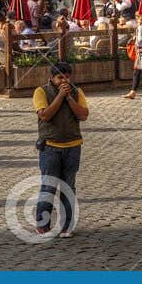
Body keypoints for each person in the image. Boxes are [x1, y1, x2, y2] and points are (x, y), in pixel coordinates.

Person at [32, 60, 90, 237]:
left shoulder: (77, 92)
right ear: (52, 78)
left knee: (68, 187)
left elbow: (83, 115)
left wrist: (69, 97)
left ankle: (67, 225)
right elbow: (45, 115)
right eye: (59, 78)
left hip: (73, 146)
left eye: (66, 77)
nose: (64, 81)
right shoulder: (41, 91)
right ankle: (43, 224)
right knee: (48, 187)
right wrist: (59, 96)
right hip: (50, 147)